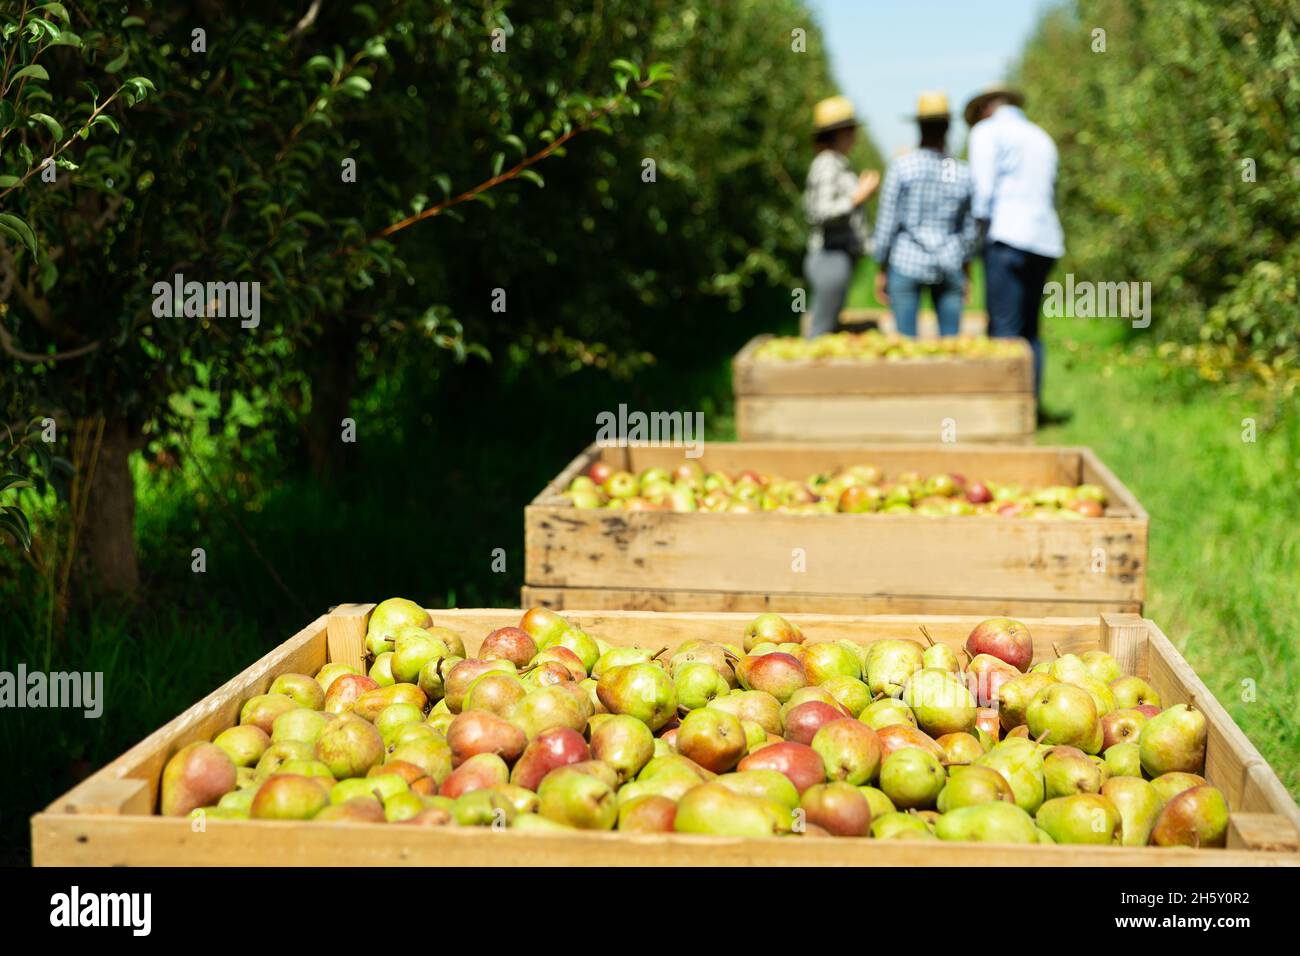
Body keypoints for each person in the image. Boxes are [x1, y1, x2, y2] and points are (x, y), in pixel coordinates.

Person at [965, 86, 1064, 399]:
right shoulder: (1041, 137)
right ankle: (1031, 407)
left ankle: (1005, 412)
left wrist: (970, 247)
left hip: (1007, 238)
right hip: (1045, 241)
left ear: (984, 111)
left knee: (1004, 330)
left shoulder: (986, 132)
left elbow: (982, 193)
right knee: (1031, 332)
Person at [871, 91, 976, 338]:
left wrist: (881, 267)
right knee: (951, 345)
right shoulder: (961, 172)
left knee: (906, 348)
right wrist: (967, 272)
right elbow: (969, 229)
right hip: (949, 262)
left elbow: (887, 223)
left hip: (906, 260)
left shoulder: (902, 167)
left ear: (918, 127)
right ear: (948, 128)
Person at [802, 96, 880, 338]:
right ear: (838, 133)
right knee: (821, 328)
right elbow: (822, 212)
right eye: (851, 131)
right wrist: (859, 196)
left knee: (828, 323)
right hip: (829, 257)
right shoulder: (827, 164)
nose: (854, 137)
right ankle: (808, 374)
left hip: (838, 257)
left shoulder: (837, 164)